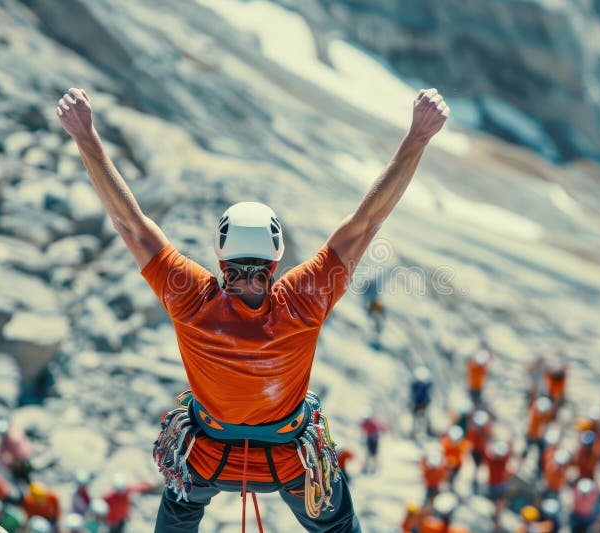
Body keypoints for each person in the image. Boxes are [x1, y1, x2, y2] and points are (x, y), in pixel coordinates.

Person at [56, 85, 449, 532]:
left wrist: (85, 135)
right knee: (339, 527)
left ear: (220, 258)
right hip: (290, 463)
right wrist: (418, 135)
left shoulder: (190, 298)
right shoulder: (304, 298)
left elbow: (130, 223)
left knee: (178, 514)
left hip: (207, 456)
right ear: (277, 258)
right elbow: (367, 221)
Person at [0, 418, 32, 485]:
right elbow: (0, 457)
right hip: (16, 465)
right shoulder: (4, 443)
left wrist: (23, 457)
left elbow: (24, 443)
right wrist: (9, 465)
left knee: (28, 480)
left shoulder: (16, 432)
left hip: (23, 462)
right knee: (19, 482)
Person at [360, 407, 387, 474]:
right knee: (368, 454)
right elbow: (363, 429)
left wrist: (381, 434)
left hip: (374, 440)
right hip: (369, 439)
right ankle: (367, 468)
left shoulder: (373, 422)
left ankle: (373, 468)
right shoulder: (365, 422)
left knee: (373, 455)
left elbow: (382, 428)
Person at [410, 366, 434, 438]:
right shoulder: (415, 386)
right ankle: (416, 432)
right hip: (417, 404)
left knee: (423, 418)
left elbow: (428, 394)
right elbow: (414, 396)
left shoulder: (425, 386)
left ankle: (423, 432)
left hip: (423, 404)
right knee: (417, 418)